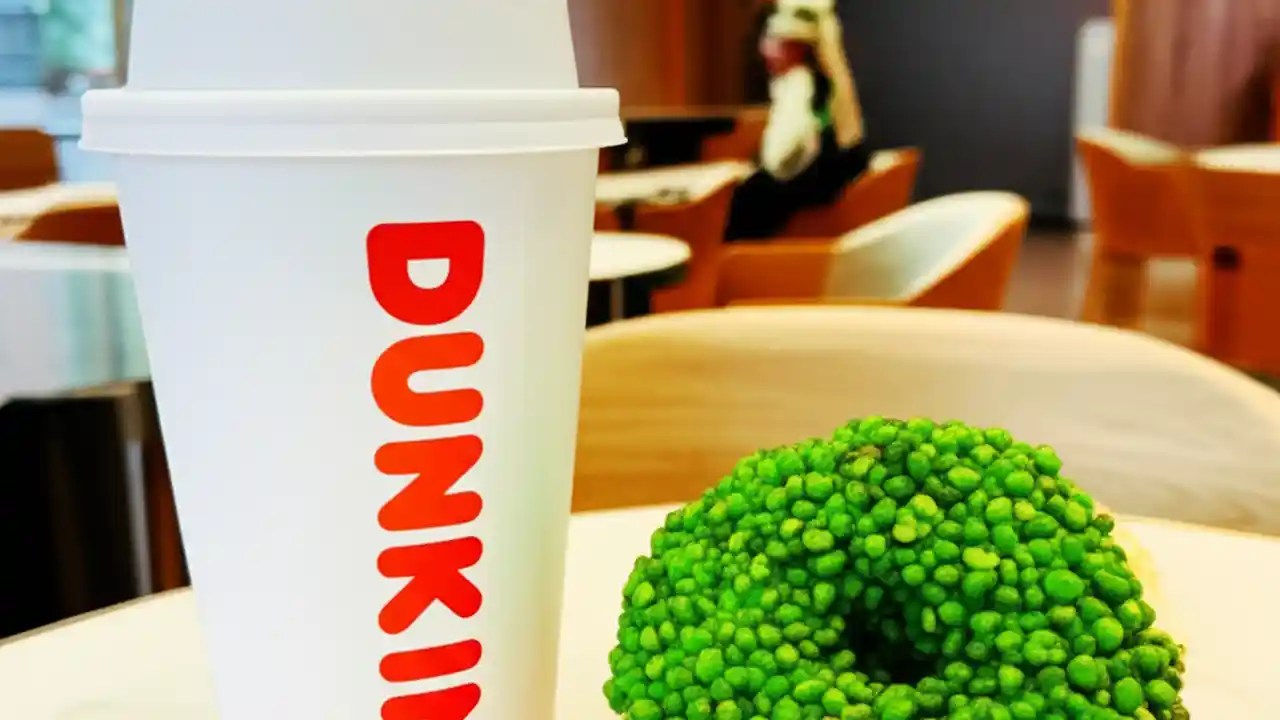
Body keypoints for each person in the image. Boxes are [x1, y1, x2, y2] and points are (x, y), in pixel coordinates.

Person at [725, 0, 871, 241]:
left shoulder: (800, 87)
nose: (764, 50)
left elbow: (780, 161)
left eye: (774, 42)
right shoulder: (820, 89)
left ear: (798, 48)